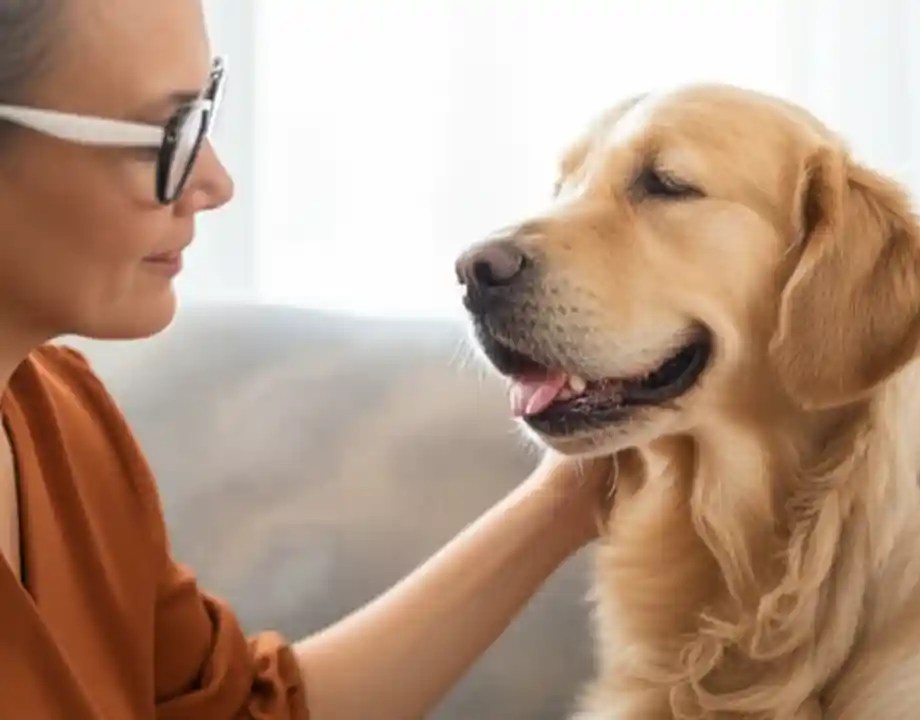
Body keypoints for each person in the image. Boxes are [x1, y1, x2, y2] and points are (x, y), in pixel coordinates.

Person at [0, 0, 612, 717]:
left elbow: (242, 710)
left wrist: (567, 498)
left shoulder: (62, 418)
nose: (215, 182)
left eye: (204, 113)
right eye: (164, 136)